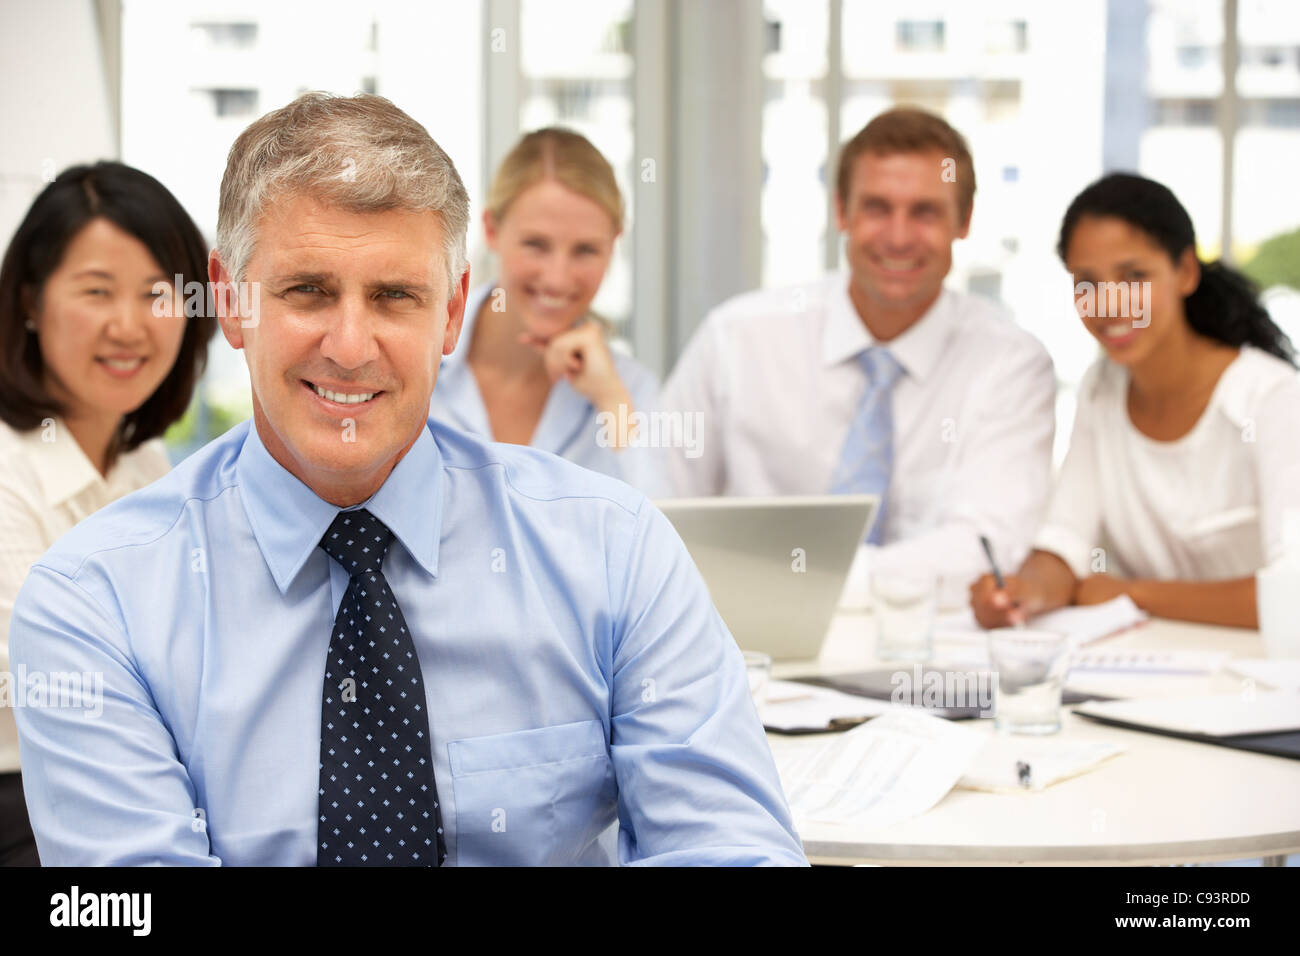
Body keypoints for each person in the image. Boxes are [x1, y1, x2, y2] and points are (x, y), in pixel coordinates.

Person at [9, 93, 805, 866]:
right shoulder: (94, 601)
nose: (350, 346)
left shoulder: (613, 553)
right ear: (232, 300)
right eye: (308, 291)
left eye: (394, 296)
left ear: (453, 310)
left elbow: (732, 848)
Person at [660, 107, 1056, 601]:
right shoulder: (737, 339)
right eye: (876, 208)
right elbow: (661, 508)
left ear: (965, 221)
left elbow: (987, 550)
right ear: (842, 212)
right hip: (750, 644)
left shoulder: (1010, 364)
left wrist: (805, 584)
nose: (898, 236)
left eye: (925, 212)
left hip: (932, 657)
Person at [971, 173, 1300, 630]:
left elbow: (1291, 595)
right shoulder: (1102, 387)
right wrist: (1021, 591)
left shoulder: (1272, 398)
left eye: (1134, 277)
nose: (1108, 304)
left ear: (1186, 272)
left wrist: (1130, 592)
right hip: (1142, 680)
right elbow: (1066, 542)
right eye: (1086, 282)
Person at [0, 161, 213, 867]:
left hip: (142, 788)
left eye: (157, 293)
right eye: (96, 292)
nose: (129, 326)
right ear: (29, 302)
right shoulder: (8, 468)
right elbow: (44, 684)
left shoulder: (144, 466)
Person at [430, 128, 665, 495]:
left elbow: (667, 538)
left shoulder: (630, 391)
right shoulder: (421, 360)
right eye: (536, 245)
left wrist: (611, 401)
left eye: (586, 250)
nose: (557, 279)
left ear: (614, 243)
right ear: (491, 229)